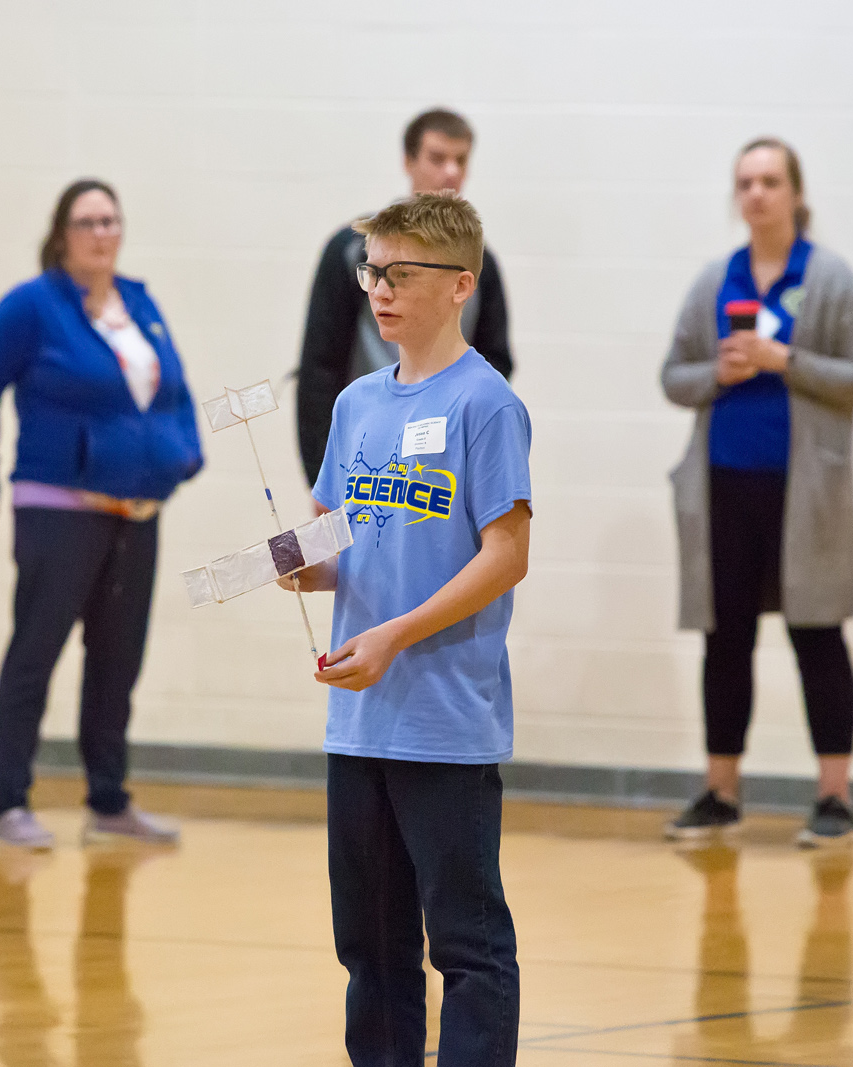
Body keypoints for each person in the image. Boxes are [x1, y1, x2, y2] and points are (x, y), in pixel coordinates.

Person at [289, 193, 530, 1066]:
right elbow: (330, 540)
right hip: (358, 723)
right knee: (373, 948)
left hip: (443, 724)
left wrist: (397, 632)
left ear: (460, 283)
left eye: (401, 273)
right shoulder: (356, 403)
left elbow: (506, 554)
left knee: (465, 945)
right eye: (373, 272)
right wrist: (293, 562)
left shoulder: (487, 403)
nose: (380, 290)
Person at [0, 179, 203, 850]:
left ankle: (109, 801)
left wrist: (185, 454)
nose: (101, 232)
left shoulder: (140, 304)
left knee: (118, 659)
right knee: (35, 652)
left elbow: (173, 391)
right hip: (57, 510)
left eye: (111, 220)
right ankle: (9, 802)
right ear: (62, 233)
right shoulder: (32, 306)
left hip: (137, 513)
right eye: (88, 221)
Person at [661, 137, 853, 846]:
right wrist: (716, 375)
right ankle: (721, 792)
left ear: (795, 192)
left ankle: (835, 799)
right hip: (724, 485)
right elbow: (674, 375)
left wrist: (788, 360)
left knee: (817, 632)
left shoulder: (831, 279)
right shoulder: (714, 280)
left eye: (770, 180)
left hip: (806, 493)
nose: (757, 193)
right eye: (745, 182)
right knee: (725, 640)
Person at [297, 107, 513, 486]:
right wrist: (320, 474)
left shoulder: (483, 264)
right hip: (365, 454)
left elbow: (496, 357)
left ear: (462, 284)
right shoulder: (351, 250)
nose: (450, 172)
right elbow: (319, 367)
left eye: (460, 160)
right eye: (437, 158)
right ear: (408, 161)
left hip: (441, 460)